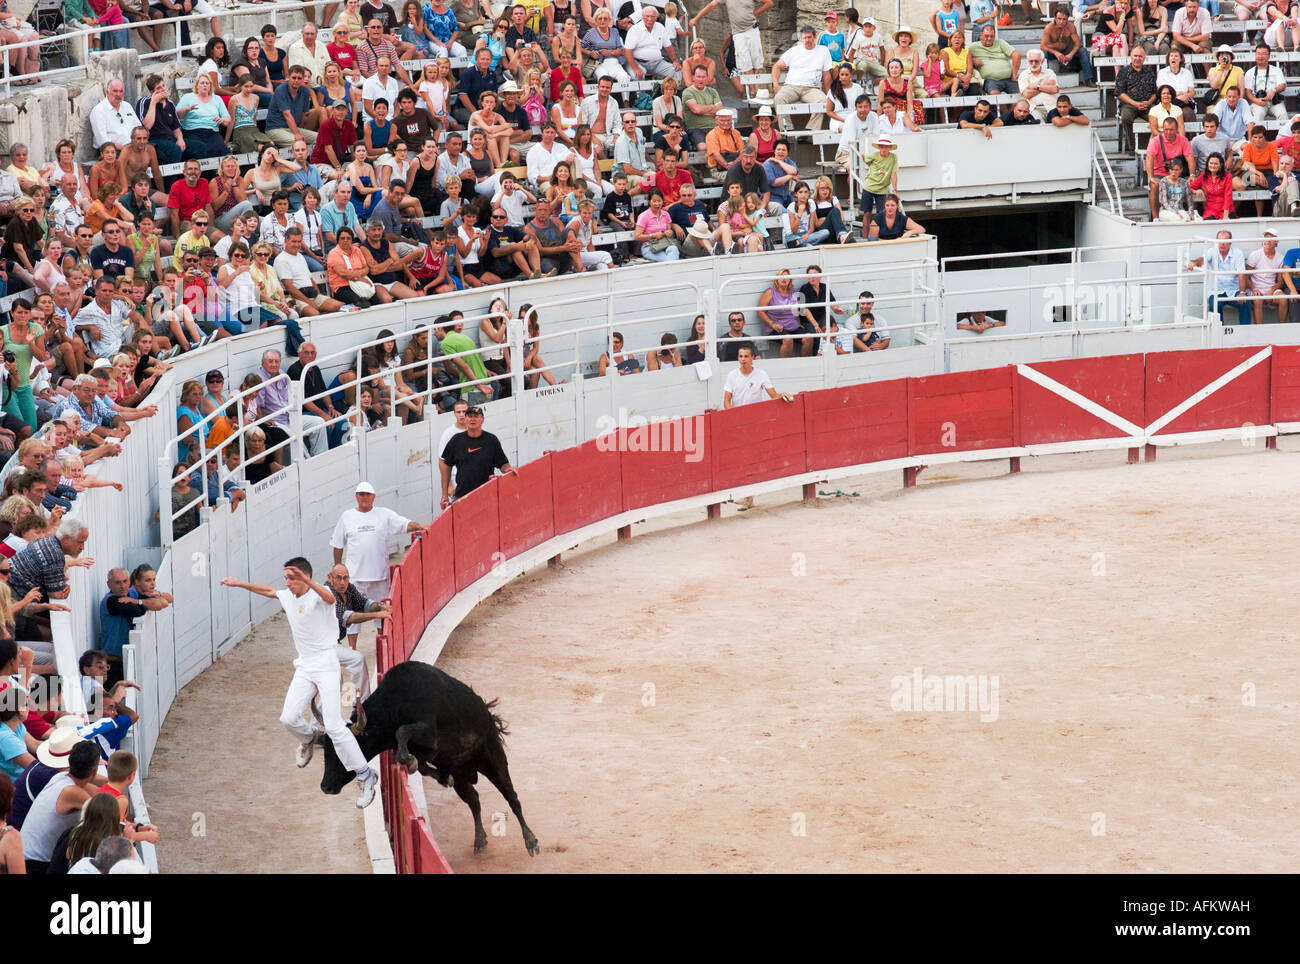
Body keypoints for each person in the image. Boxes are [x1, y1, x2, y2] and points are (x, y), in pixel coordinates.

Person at [221, 559, 378, 808]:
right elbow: (268, 590)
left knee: (336, 727)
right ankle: (309, 739)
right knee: (288, 718)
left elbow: (329, 597)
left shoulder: (320, 597)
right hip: (305, 666)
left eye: (292, 578)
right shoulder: (287, 596)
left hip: (326, 664)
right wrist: (239, 584)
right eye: (286, 579)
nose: (287, 584)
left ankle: (365, 775)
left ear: (305, 577)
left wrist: (306, 581)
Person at [330, 482, 425, 601]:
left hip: (380, 577)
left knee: (381, 614)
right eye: (361, 494)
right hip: (355, 578)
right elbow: (337, 545)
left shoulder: (384, 514)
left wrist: (420, 526)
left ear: (373, 496)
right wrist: (337, 570)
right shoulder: (346, 516)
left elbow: (405, 524)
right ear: (356, 496)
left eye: (367, 494)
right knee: (352, 615)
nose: (364, 497)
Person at [439, 405, 516, 507]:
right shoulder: (456, 440)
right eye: (469, 416)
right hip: (462, 497)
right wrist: (444, 494)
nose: (472, 419)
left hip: (487, 496)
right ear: (465, 419)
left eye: (476, 416)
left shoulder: (491, 440)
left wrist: (509, 469)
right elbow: (446, 465)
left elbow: (502, 464)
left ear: (482, 419)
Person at [771, 25, 833, 132]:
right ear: (801, 38)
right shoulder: (794, 50)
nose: (807, 40)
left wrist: (829, 94)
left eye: (809, 37)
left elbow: (826, 74)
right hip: (791, 87)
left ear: (814, 37)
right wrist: (776, 85)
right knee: (779, 98)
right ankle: (787, 130)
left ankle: (810, 131)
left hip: (811, 89)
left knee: (823, 100)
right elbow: (777, 66)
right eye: (804, 38)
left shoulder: (823, 51)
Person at [1144, 116, 1192, 220]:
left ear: (1176, 129)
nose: (1168, 132)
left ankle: (1192, 213)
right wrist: (1150, 176)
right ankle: (1155, 218)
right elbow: (1149, 157)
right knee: (1154, 185)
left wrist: (1192, 174)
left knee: (1192, 183)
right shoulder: (1156, 140)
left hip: (1177, 173)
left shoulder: (1183, 140)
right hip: (1160, 173)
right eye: (1166, 129)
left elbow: (1190, 157)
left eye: (1171, 129)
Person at [723, 344, 793, 410]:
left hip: (756, 415)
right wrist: (733, 415)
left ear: (752, 357)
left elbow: (774, 396)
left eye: (746, 356)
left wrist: (782, 394)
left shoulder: (761, 374)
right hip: (737, 416)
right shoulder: (732, 375)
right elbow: (726, 401)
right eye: (740, 356)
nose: (743, 359)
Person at [622, 5, 679, 81]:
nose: (649, 19)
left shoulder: (660, 27)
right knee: (638, 75)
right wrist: (635, 68)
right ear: (642, 17)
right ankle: (642, 93)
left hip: (657, 63)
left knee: (677, 71)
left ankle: (674, 92)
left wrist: (674, 61)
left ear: (656, 17)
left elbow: (668, 46)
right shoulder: (634, 29)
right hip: (638, 62)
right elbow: (627, 51)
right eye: (647, 16)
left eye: (652, 16)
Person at [1243, 230, 1289, 325]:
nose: (1268, 241)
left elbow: (1280, 282)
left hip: (1271, 288)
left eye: (1271, 238)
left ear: (1277, 241)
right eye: (1266, 238)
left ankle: (1282, 328)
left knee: (1283, 300)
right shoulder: (1255, 255)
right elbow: (1245, 276)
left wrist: (1271, 290)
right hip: (1256, 288)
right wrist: (1253, 288)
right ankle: (1259, 329)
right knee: (1257, 300)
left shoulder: (1280, 257)